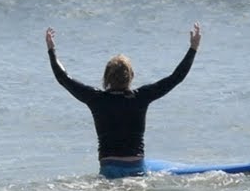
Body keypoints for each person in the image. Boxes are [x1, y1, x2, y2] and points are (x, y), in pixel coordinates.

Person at [46, 23, 202, 179]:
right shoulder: (141, 97)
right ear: (131, 76)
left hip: (109, 169)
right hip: (136, 168)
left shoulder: (95, 99)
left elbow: (63, 78)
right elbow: (176, 77)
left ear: (106, 78)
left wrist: (51, 50)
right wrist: (193, 48)